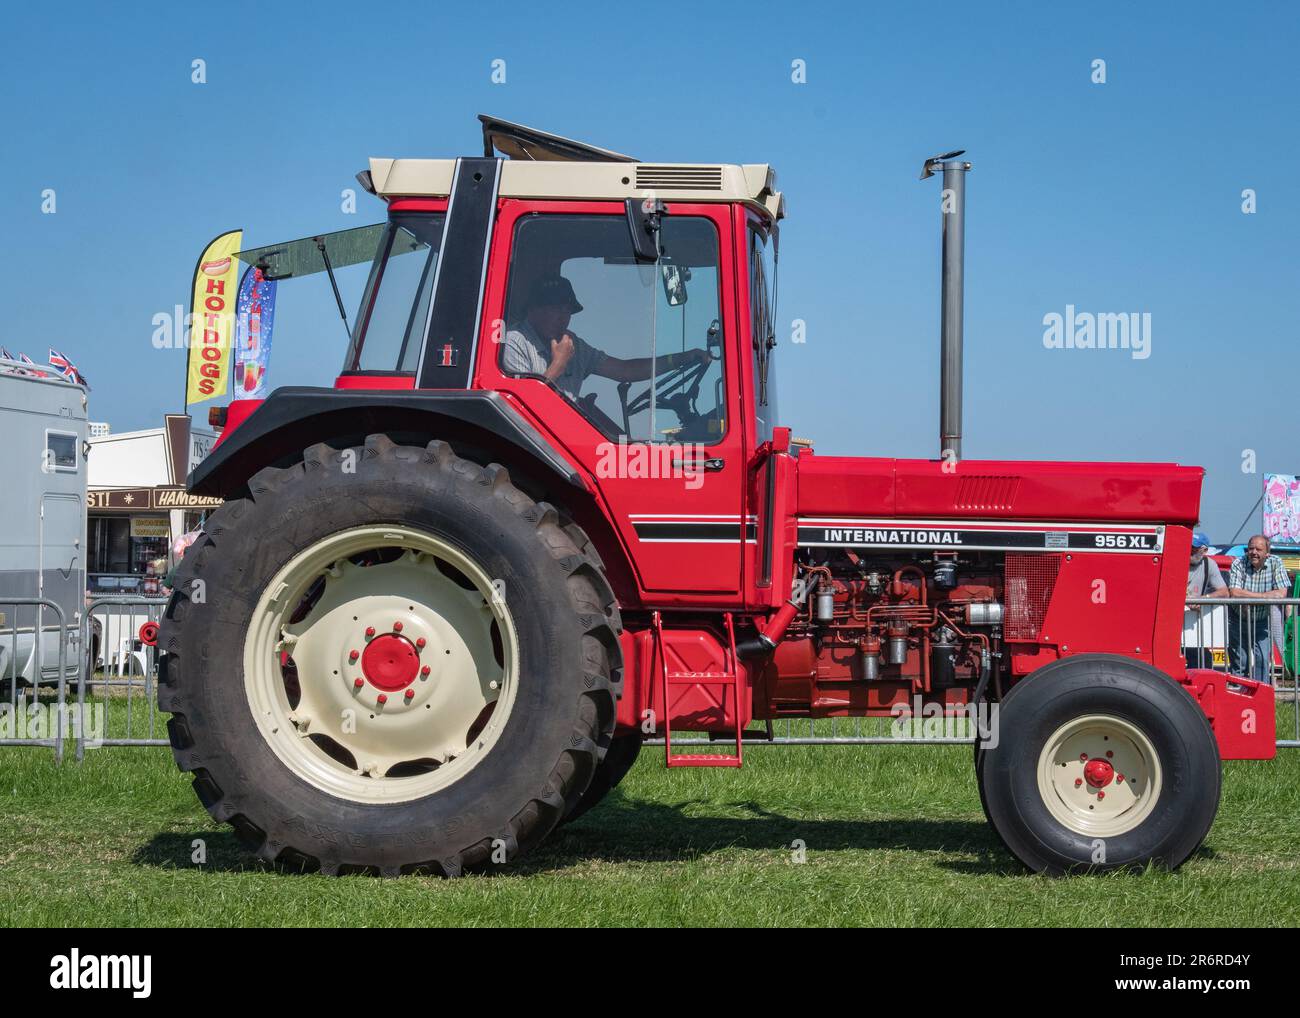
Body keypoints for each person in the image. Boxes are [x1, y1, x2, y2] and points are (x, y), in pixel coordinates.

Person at [501, 274, 710, 400]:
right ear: (532, 310)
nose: (563, 318)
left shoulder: (574, 345)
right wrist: (559, 364)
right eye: (555, 309)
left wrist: (679, 359)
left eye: (567, 311)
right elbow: (521, 409)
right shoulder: (513, 342)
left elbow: (624, 371)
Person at [1227, 534, 1289, 683]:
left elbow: (1281, 593)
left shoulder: (1276, 562)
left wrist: (1249, 597)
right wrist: (1265, 596)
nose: (1253, 552)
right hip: (1238, 617)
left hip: (1262, 619)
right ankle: (1237, 693)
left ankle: (1260, 695)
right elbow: (1234, 592)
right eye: (1251, 548)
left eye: (1258, 549)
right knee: (1239, 660)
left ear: (1267, 553)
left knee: (1262, 658)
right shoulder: (1238, 563)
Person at [1184, 531, 1227, 669]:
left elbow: (1224, 592)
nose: (1190, 550)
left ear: (1205, 550)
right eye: (1189, 546)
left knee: (1202, 658)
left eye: (1195, 548)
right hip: (1170, 620)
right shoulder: (1175, 560)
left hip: (1192, 623)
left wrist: (1203, 599)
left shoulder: (1210, 564)